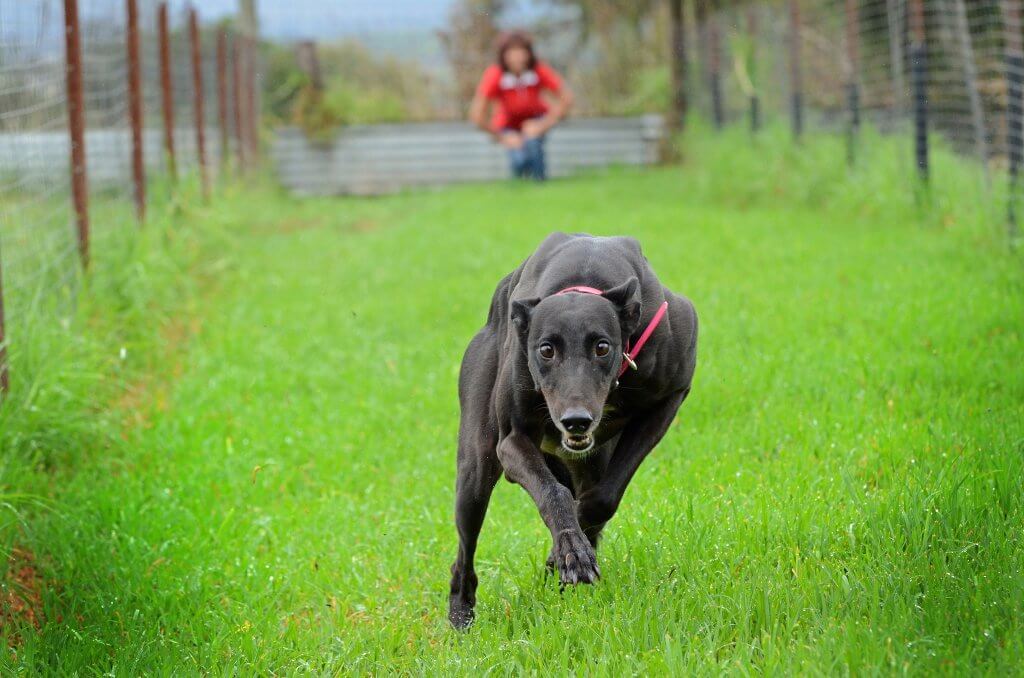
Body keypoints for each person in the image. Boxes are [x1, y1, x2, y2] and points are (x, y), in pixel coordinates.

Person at [469, 31, 574, 181]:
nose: (517, 57)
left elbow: (567, 98)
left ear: (529, 54)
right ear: (503, 56)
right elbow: (476, 115)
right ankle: (519, 188)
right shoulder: (495, 74)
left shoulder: (538, 70)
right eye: (512, 53)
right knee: (519, 161)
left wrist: (542, 125)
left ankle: (540, 184)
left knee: (533, 144)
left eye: (521, 52)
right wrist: (503, 137)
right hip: (508, 126)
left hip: (536, 120)